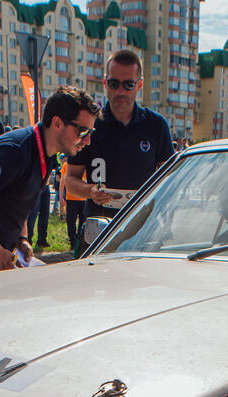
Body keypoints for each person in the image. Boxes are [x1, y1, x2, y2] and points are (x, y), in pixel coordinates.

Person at [0, 86, 100, 275]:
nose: (87, 141)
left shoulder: (46, 154)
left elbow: (20, 199)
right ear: (57, 123)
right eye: (83, 132)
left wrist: (22, 239)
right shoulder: (15, 152)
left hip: (2, 248)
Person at [63, 49, 174, 255]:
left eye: (128, 85)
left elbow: (170, 179)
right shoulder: (90, 124)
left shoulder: (156, 126)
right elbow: (71, 180)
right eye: (114, 84)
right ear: (105, 83)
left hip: (143, 231)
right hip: (98, 230)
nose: (120, 91)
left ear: (139, 85)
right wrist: (91, 192)